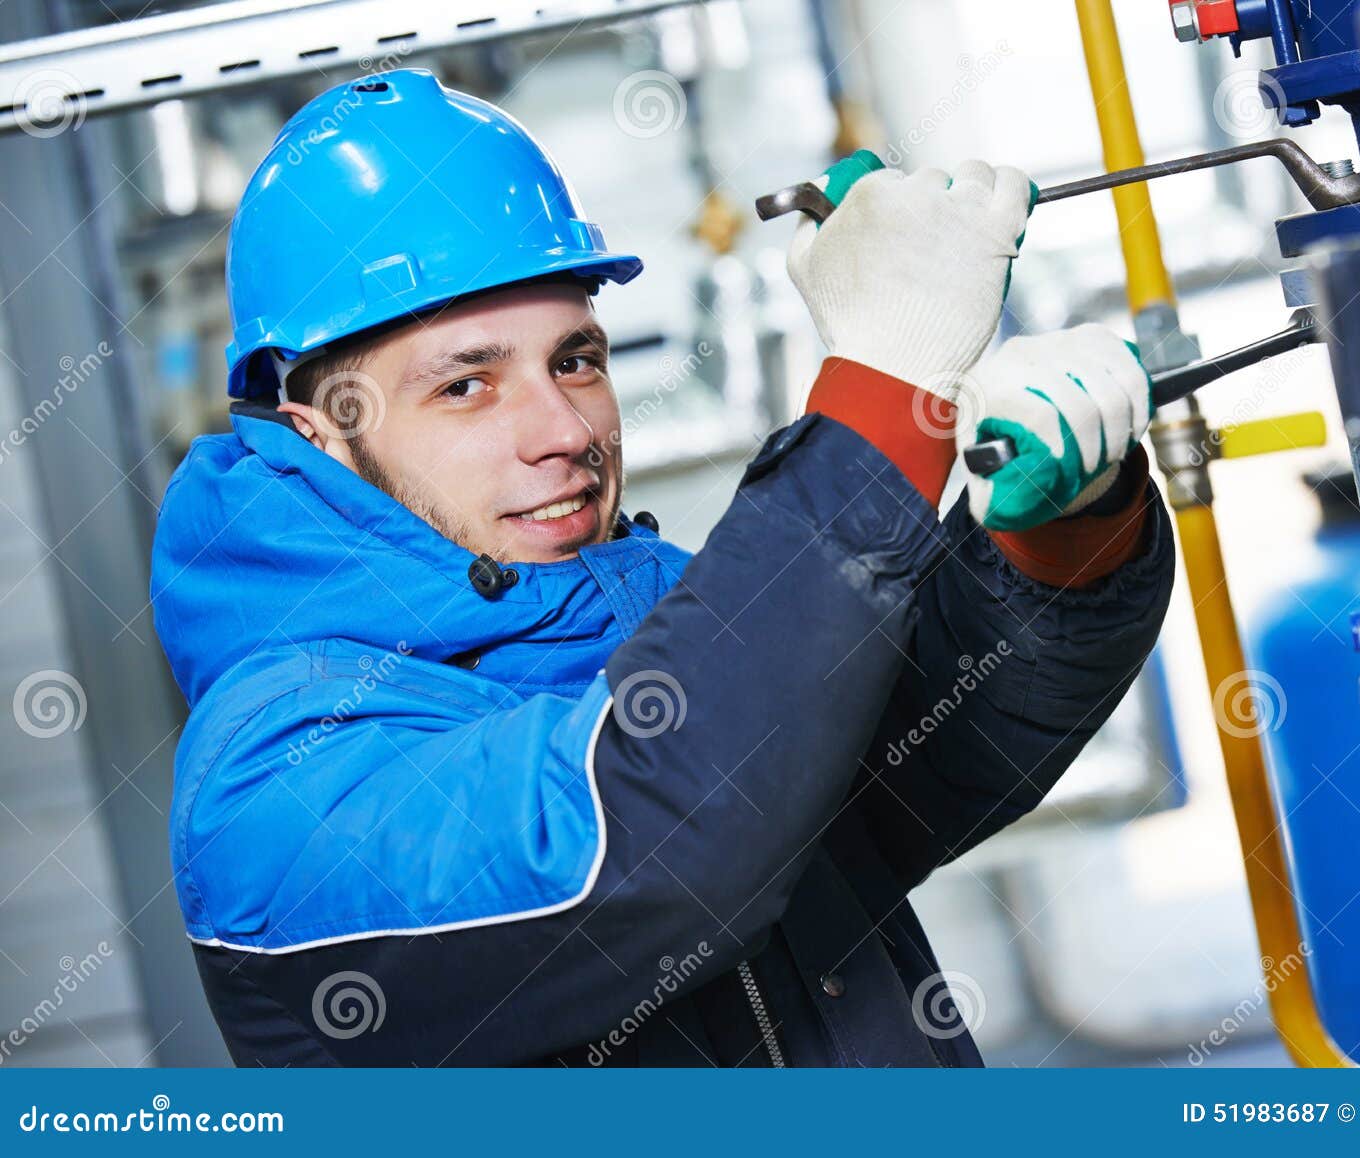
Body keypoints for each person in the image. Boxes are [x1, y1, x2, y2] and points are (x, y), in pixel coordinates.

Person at [151, 68, 1174, 1066]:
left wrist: (1060, 533)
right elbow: (638, 850)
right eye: (465, 387)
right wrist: (884, 389)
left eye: (575, 360)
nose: (561, 430)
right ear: (317, 435)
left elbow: (921, 757)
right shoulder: (274, 784)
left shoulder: (646, 618)